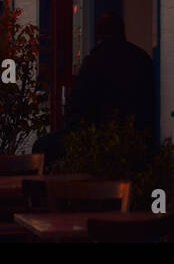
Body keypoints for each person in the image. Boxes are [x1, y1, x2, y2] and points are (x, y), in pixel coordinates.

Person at [32, 12, 155, 167]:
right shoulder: (142, 58)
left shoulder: (93, 62)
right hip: (139, 136)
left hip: (98, 135)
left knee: (42, 147)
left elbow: (77, 106)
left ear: (98, 34)